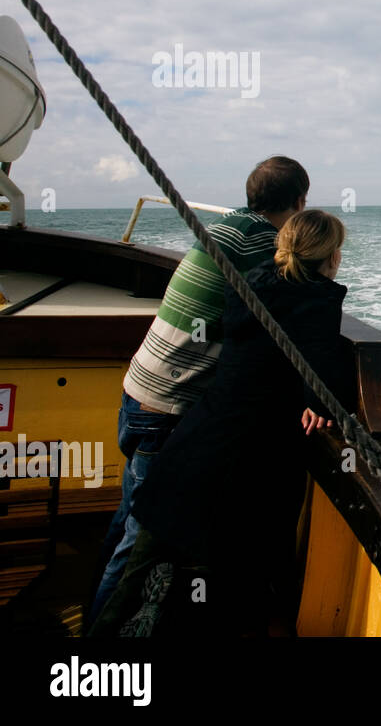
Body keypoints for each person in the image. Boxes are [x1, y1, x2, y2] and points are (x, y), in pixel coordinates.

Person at [88, 209, 348, 636]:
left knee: (138, 572)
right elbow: (325, 387)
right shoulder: (315, 300)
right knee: (231, 591)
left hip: (192, 444)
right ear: (332, 256)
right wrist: (316, 399)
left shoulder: (253, 281)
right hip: (242, 470)